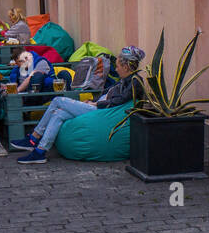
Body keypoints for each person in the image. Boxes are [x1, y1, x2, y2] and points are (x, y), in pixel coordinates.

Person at [12, 45, 145, 164]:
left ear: (126, 67)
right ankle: (40, 151)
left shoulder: (135, 81)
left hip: (102, 112)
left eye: (117, 66)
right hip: (98, 107)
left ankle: (33, 138)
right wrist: (92, 101)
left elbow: (120, 101)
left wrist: (97, 104)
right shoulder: (124, 80)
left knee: (58, 101)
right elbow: (107, 93)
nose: (116, 69)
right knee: (59, 113)